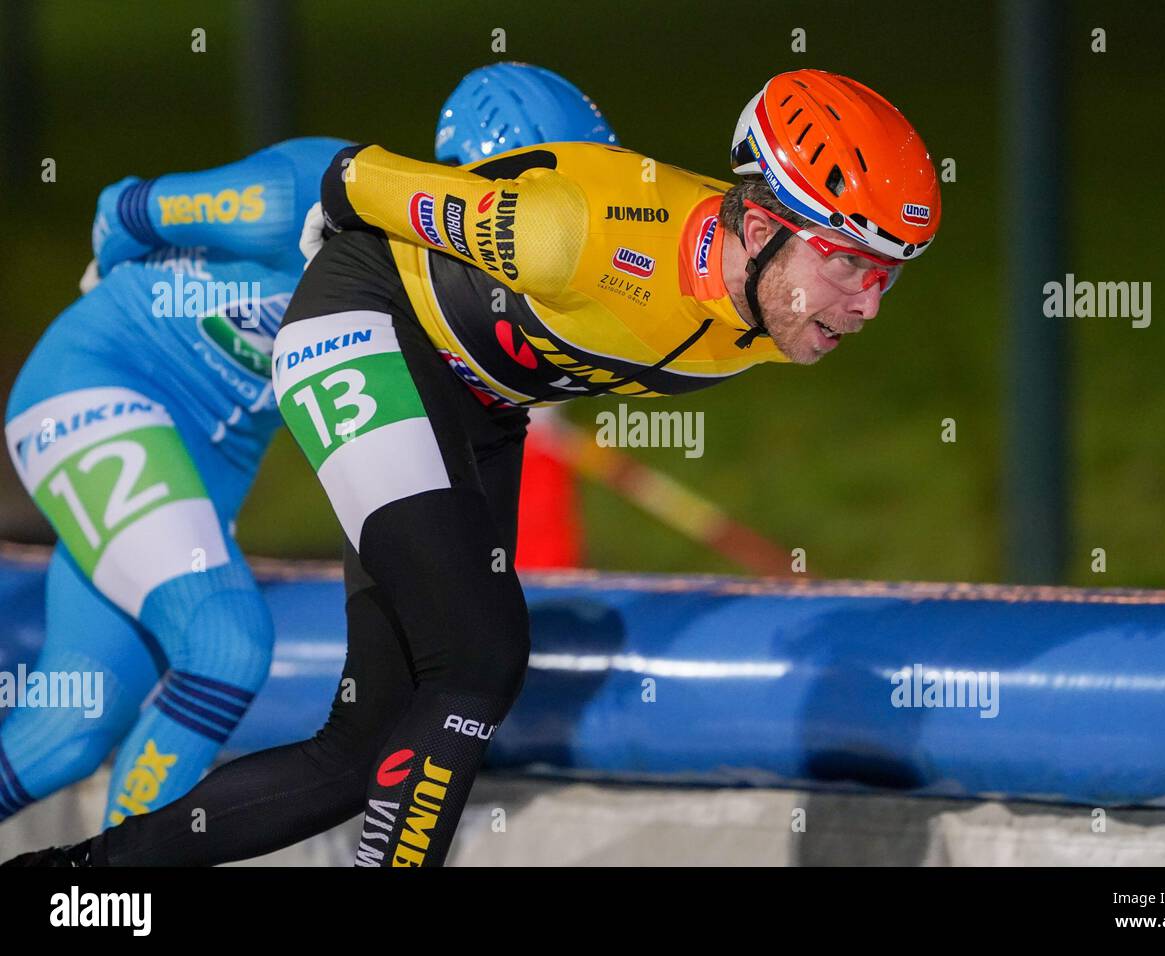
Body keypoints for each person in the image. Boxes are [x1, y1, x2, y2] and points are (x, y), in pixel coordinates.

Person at [6, 67, 939, 867]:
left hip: (478, 400)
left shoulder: (781, 312)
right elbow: (350, 179)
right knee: (480, 654)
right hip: (363, 321)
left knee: (358, 750)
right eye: (854, 263)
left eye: (890, 275)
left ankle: (72, 881)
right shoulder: (571, 233)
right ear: (768, 220)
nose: (869, 303)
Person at [0, 63, 614, 843]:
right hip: (95, 389)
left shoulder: (458, 303)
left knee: (67, 729)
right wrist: (123, 294)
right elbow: (122, 209)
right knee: (226, 646)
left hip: (194, 462)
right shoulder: (302, 189)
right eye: (546, 216)